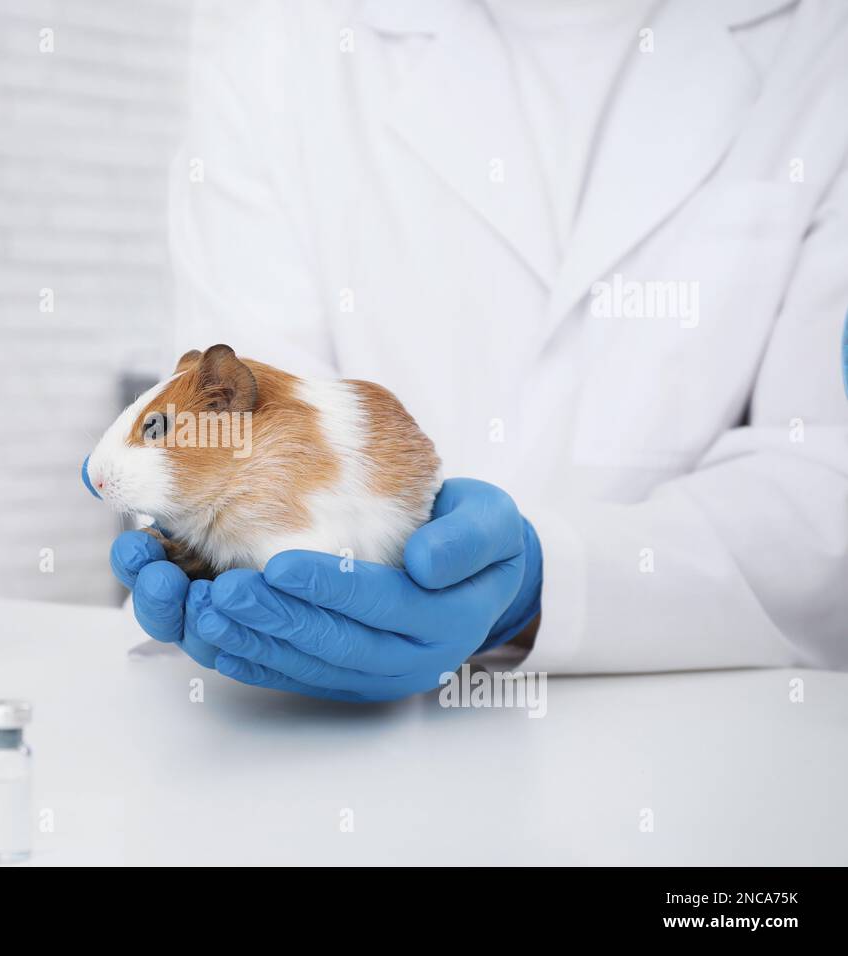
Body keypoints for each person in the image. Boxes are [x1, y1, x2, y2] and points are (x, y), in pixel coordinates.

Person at [104, 0, 848, 701]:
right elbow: (243, 409)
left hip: (700, 723)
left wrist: (544, 584)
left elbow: (824, 478)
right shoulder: (282, 33)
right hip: (301, 742)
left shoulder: (821, 42)